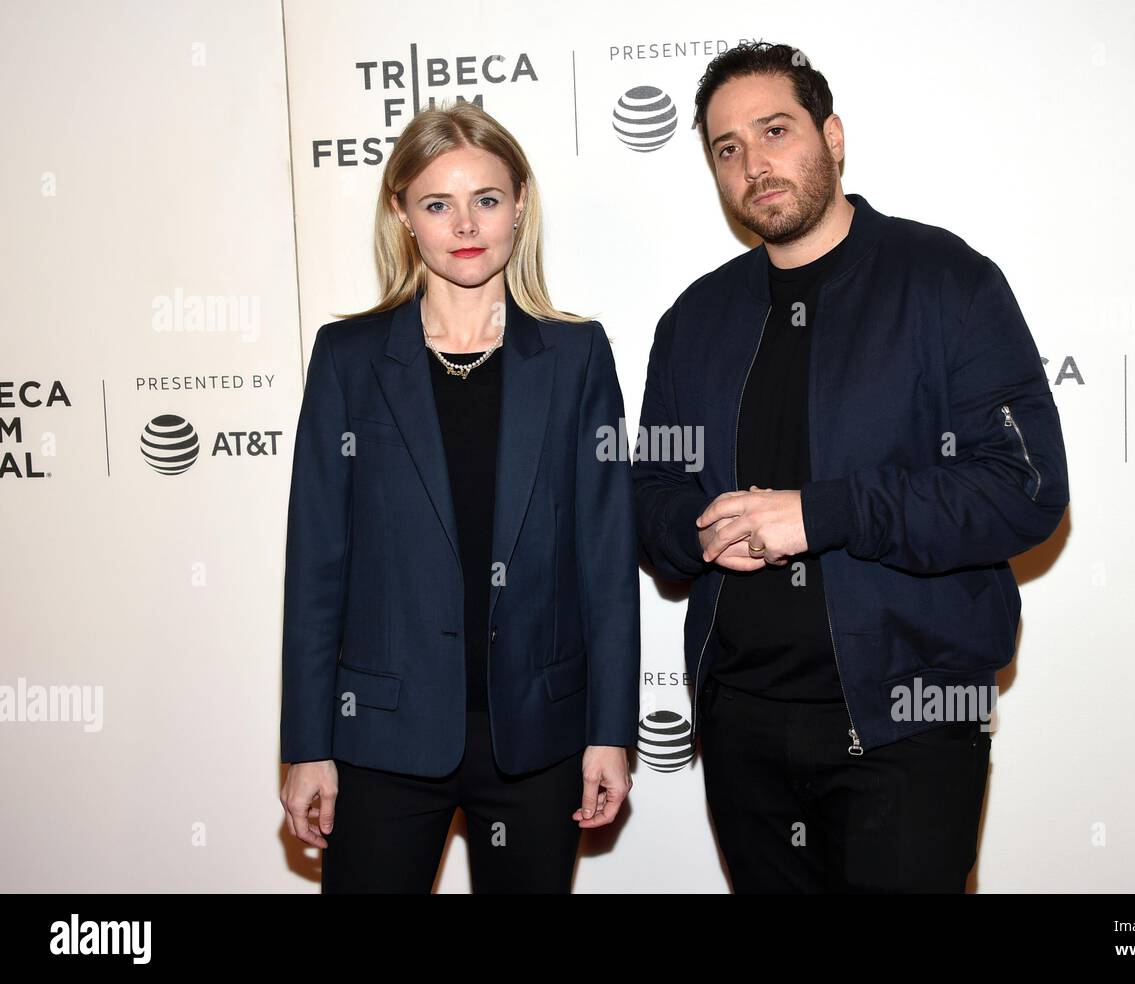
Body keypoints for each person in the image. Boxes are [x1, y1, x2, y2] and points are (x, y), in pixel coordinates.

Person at [632, 42, 1069, 892]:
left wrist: (820, 514)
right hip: (743, 728)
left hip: (909, 721)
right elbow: (648, 488)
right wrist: (694, 532)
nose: (754, 164)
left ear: (832, 137)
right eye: (728, 148)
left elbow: (1024, 488)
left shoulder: (947, 283)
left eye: (775, 130)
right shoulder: (694, 320)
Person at [279, 101, 639, 893]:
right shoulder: (348, 358)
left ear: (519, 208)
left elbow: (607, 560)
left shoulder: (577, 356)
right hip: (380, 739)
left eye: (486, 198)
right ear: (404, 216)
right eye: (437, 203)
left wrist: (609, 733)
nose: (465, 223)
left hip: (537, 739)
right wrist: (308, 742)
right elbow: (316, 567)